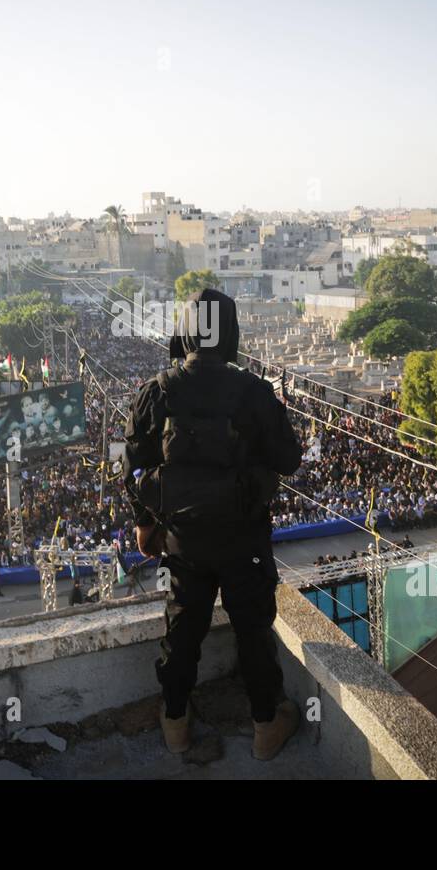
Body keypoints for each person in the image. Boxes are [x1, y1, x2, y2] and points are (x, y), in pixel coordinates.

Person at [124, 287, 303, 761]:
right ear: (230, 333)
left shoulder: (156, 392)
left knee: (182, 629)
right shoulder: (253, 392)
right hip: (244, 540)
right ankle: (267, 726)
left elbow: (133, 465)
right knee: (253, 631)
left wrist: (146, 522)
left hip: (182, 542)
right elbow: (290, 458)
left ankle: (176, 721)